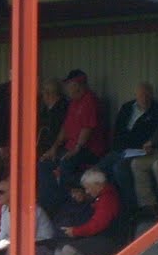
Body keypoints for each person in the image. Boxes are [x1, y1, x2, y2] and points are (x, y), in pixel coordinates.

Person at [39, 69, 108, 209]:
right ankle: (49, 203)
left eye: (69, 85)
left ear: (78, 85)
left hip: (90, 150)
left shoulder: (90, 100)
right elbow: (65, 128)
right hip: (71, 148)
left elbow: (87, 128)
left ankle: (70, 202)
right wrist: (54, 148)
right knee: (44, 163)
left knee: (66, 164)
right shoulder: (73, 103)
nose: (67, 89)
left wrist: (76, 149)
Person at [96, 82, 158, 212]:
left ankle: (130, 206)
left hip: (140, 151)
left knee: (119, 168)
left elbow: (157, 134)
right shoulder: (127, 107)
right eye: (140, 95)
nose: (143, 98)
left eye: (146, 94)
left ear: (151, 95)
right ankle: (106, 204)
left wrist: (149, 145)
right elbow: (117, 130)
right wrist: (117, 146)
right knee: (99, 169)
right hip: (121, 149)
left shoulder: (157, 111)